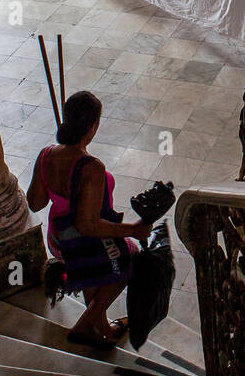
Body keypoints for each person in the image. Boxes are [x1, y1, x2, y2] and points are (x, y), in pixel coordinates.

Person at [26, 90, 152, 346]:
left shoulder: (46, 154)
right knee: (131, 257)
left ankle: (102, 326)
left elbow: (35, 203)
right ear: (93, 126)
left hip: (57, 239)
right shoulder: (91, 167)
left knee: (96, 265)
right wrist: (133, 230)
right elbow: (89, 225)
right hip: (80, 243)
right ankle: (84, 326)